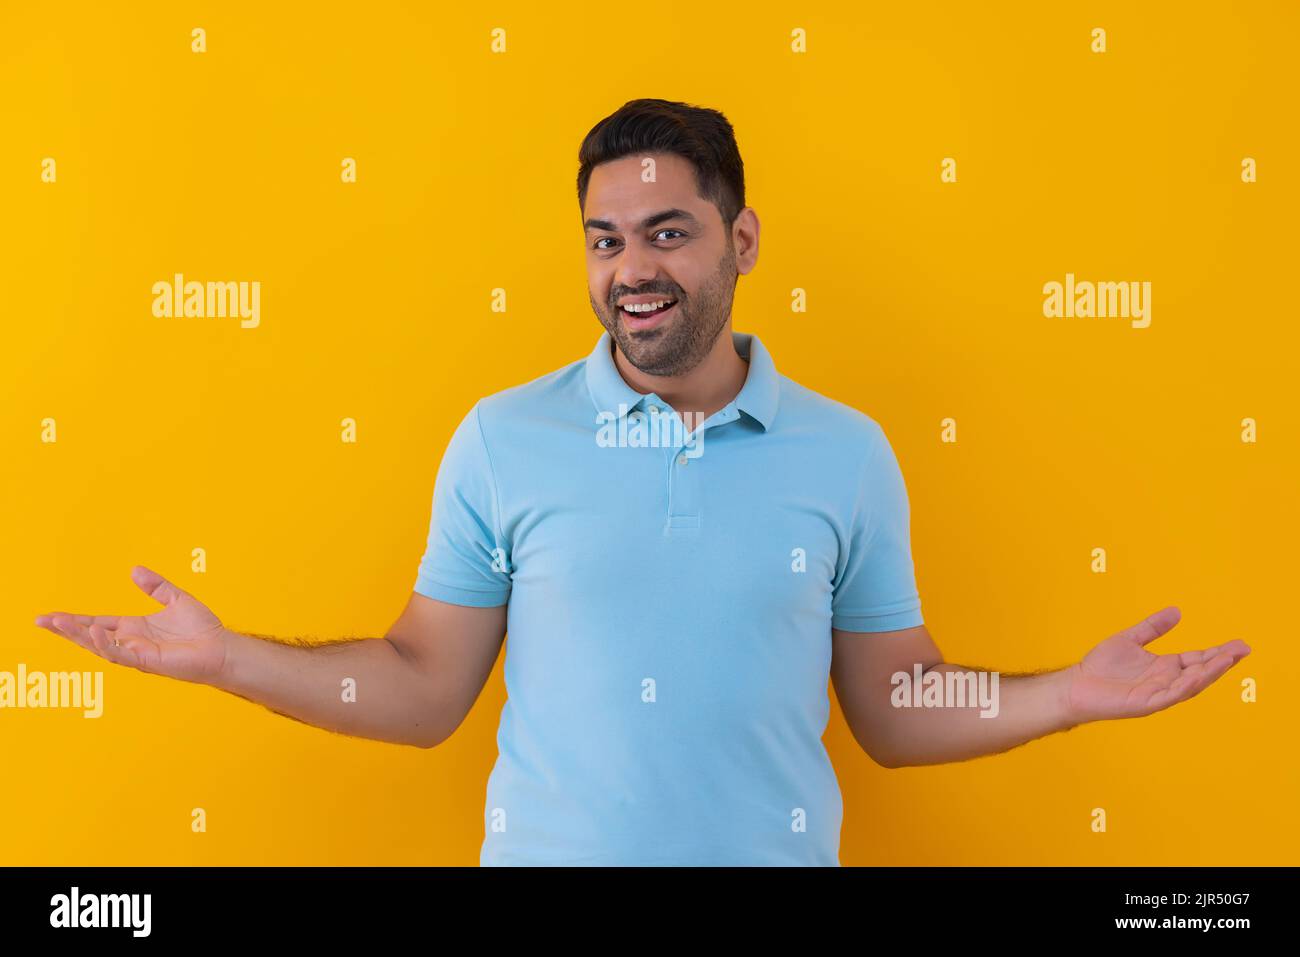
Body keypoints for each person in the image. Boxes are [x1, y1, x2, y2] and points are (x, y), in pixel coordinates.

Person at [35, 98, 1251, 866]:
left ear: (742, 240)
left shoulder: (846, 453)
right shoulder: (505, 440)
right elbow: (419, 688)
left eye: (668, 231)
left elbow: (894, 707)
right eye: (605, 240)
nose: (632, 270)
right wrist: (227, 656)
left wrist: (1070, 697)